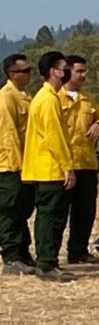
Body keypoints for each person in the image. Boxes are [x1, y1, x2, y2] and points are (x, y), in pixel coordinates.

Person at [21, 51, 77, 282]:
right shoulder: (48, 100)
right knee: (51, 218)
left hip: (47, 168)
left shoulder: (46, 97)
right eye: (64, 68)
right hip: (50, 169)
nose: (68, 72)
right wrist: (67, 166)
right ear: (53, 71)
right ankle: (46, 263)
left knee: (51, 217)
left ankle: (49, 261)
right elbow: (54, 137)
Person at [59, 55, 99, 265]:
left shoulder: (88, 99)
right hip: (64, 165)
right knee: (59, 213)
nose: (83, 75)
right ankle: (50, 255)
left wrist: (98, 124)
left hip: (87, 163)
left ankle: (78, 251)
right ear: (67, 72)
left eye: (84, 71)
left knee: (85, 212)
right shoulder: (55, 98)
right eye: (79, 71)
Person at [0, 54, 36, 276]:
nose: (29, 74)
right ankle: (11, 258)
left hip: (24, 164)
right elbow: (9, 135)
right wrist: (19, 166)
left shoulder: (24, 96)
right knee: (10, 211)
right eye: (25, 71)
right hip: (10, 166)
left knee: (22, 210)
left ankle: (22, 253)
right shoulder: (6, 97)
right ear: (12, 74)